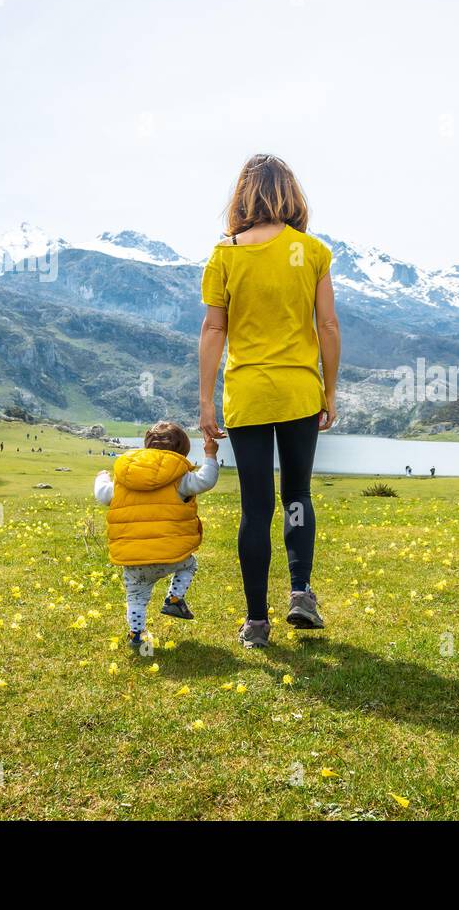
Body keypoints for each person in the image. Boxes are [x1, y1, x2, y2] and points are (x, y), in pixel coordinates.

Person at [198, 153, 340, 649]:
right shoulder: (313, 251)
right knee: (297, 495)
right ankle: (300, 593)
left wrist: (205, 402)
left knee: (254, 509)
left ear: (242, 195)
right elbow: (327, 327)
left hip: (248, 396)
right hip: (300, 391)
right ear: (291, 194)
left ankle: (256, 623)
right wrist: (329, 390)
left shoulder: (224, 256)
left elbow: (215, 329)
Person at [94, 421, 219, 651]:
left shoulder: (125, 477)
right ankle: (174, 599)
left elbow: (103, 494)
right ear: (182, 450)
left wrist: (102, 477)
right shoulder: (179, 476)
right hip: (172, 556)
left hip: (134, 561)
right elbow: (206, 480)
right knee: (189, 565)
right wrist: (210, 454)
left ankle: (136, 635)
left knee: (136, 598)